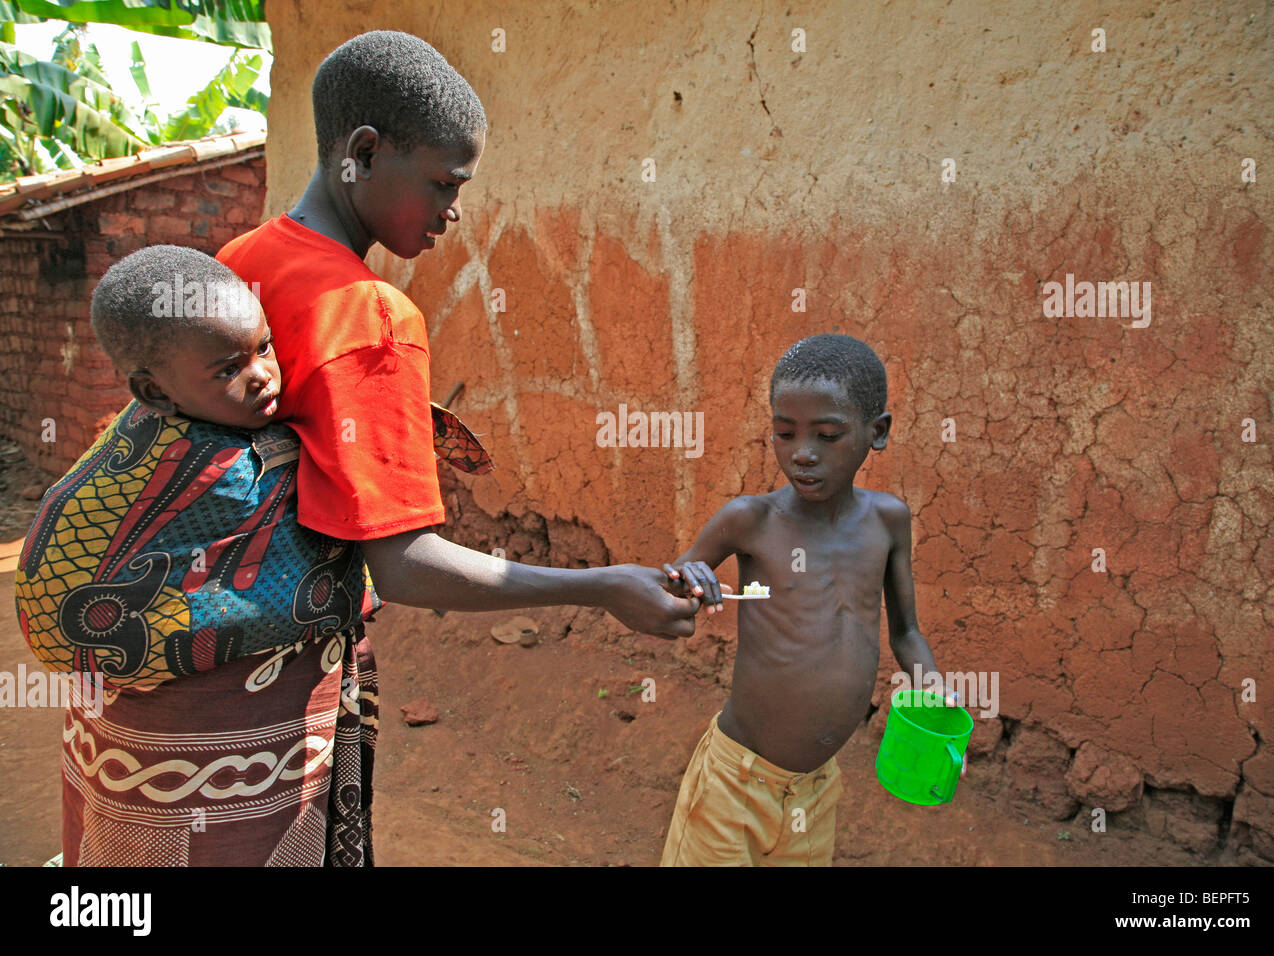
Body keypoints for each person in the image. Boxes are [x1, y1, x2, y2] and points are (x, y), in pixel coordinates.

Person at [217, 30, 696, 634]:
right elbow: (405, 565)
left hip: (189, 656)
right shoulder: (371, 315)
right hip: (269, 682)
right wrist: (601, 584)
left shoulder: (239, 259)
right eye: (445, 183)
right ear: (364, 154)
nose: (455, 209)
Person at [16, 245, 387, 865]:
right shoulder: (232, 476)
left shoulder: (137, 431)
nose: (263, 375)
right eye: (226, 370)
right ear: (152, 392)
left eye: (264, 347)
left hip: (119, 731)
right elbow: (359, 546)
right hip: (211, 750)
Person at [658, 333, 964, 866]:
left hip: (815, 790)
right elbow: (670, 589)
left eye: (827, 434)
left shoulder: (887, 521)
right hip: (734, 783)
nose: (802, 453)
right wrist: (690, 579)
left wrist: (935, 694)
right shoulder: (750, 521)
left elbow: (906, 632)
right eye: (784, 432)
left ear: (878, 432)